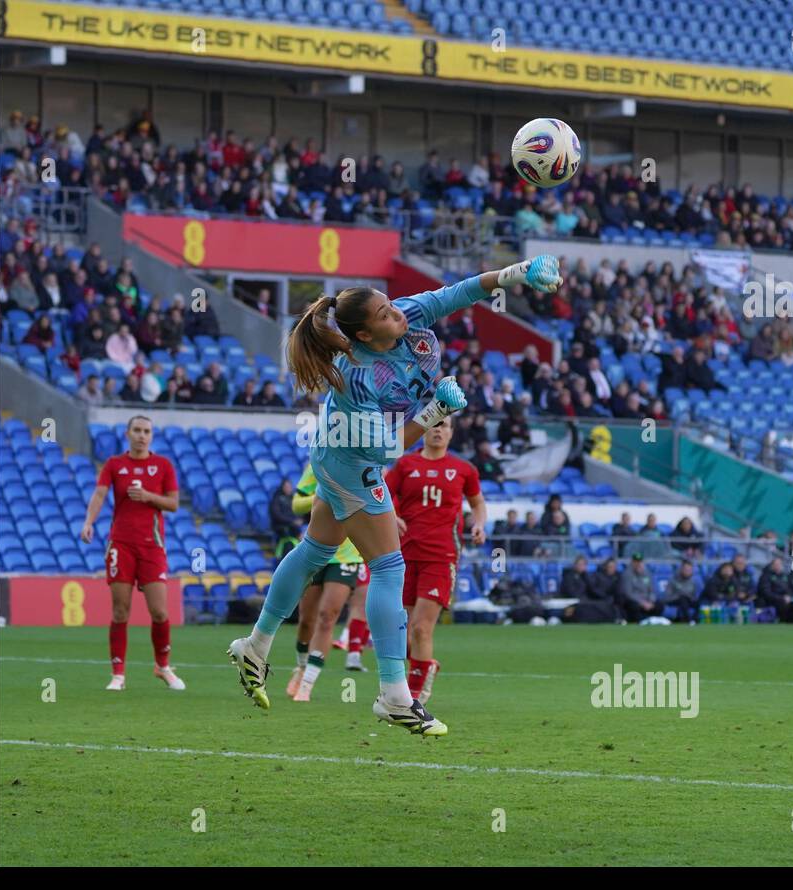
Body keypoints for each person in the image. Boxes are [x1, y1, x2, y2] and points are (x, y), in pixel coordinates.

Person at [225, 255, 562, 735]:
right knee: (388, 566)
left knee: (315, 549)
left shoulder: (409, 315)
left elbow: (460, 291)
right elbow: (385, 451)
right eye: (384, 314)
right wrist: (437, 409)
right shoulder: (356, 374)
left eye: (390, 305)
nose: (397, 314)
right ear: (363, 335)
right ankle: (394, 695)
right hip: (351, 457)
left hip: (342, 454)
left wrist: (517, 272)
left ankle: (255, 646)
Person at [385, 415, 487, 704]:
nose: (438, 430)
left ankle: (414, 696)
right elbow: (381, 493)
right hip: (405, 555)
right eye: (434, 425)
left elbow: (478, 502)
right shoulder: (405, 465)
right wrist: (393, 516)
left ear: (451, 433)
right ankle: (425, 665)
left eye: (444, 426)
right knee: (401, 631)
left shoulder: (463, 469)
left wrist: (479, 524)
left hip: (441, 557)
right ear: (424, 431)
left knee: (420, 627)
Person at [80, 416, 183, 691]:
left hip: (152, 546)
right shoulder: (115, 464)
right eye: (137, 430)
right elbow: (100, 495)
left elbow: (173, 504)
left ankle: (162, 666)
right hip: (121, 544)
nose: (141, 435)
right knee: (120, 611)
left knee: (160, 611)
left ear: (152, 435)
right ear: (127, 433)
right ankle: (118, 674)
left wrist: (149, 496)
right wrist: (89, 522)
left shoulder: (163, 465)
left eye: (146, 431)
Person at [286, 462, 369, 701]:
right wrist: (323, 496)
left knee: (327, 615)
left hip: (347, 555)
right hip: (316, 549)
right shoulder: (319, 464)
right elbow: (296, 504)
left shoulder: (363, 465)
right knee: (306, 620)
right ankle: (301, 666)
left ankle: (308, 684)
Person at [619, 553, 659, 622]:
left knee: (659, 604)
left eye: (640, 561)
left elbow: (652, 590)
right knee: (633, 605)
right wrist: (642, 603)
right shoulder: (627, 574)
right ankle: (640, 621)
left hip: (647, 601)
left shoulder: (647, 573)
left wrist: (650, 601)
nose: (638, 564)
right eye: (636, 561)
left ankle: (654, 620)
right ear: (632, 562)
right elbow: (628, 593)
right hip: (636, 601)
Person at [755, 556, 791, 622]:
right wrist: (781, 598)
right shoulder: (766, 576)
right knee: (783, 605)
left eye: (779, 564)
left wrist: (788, 596)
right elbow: (766, 593)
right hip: (770, 601)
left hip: (782, 599)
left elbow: (788, 588)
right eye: (776, 564)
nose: (778, 566)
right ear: (772, 565)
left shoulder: (784, 576)